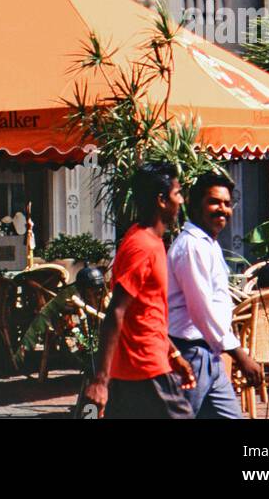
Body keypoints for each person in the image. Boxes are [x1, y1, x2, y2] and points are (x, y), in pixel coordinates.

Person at [84, 163, 196, 419]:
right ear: (161, 200)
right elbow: (116, 311)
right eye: (177, 193)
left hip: (133, 370)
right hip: (147, 368)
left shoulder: (141, 238)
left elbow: (143, 311)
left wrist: (174, 353)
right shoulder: (143, 246)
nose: (181, 201)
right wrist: (100, 381)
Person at [167, 171, 263, 418]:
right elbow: (202, 310)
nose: (222, 210)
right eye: (214, 202)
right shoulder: (192, 246)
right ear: (195, 206)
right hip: (189, 352)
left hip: (210, 353)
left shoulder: (209, 243)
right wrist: (239, 354)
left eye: (227, 204)